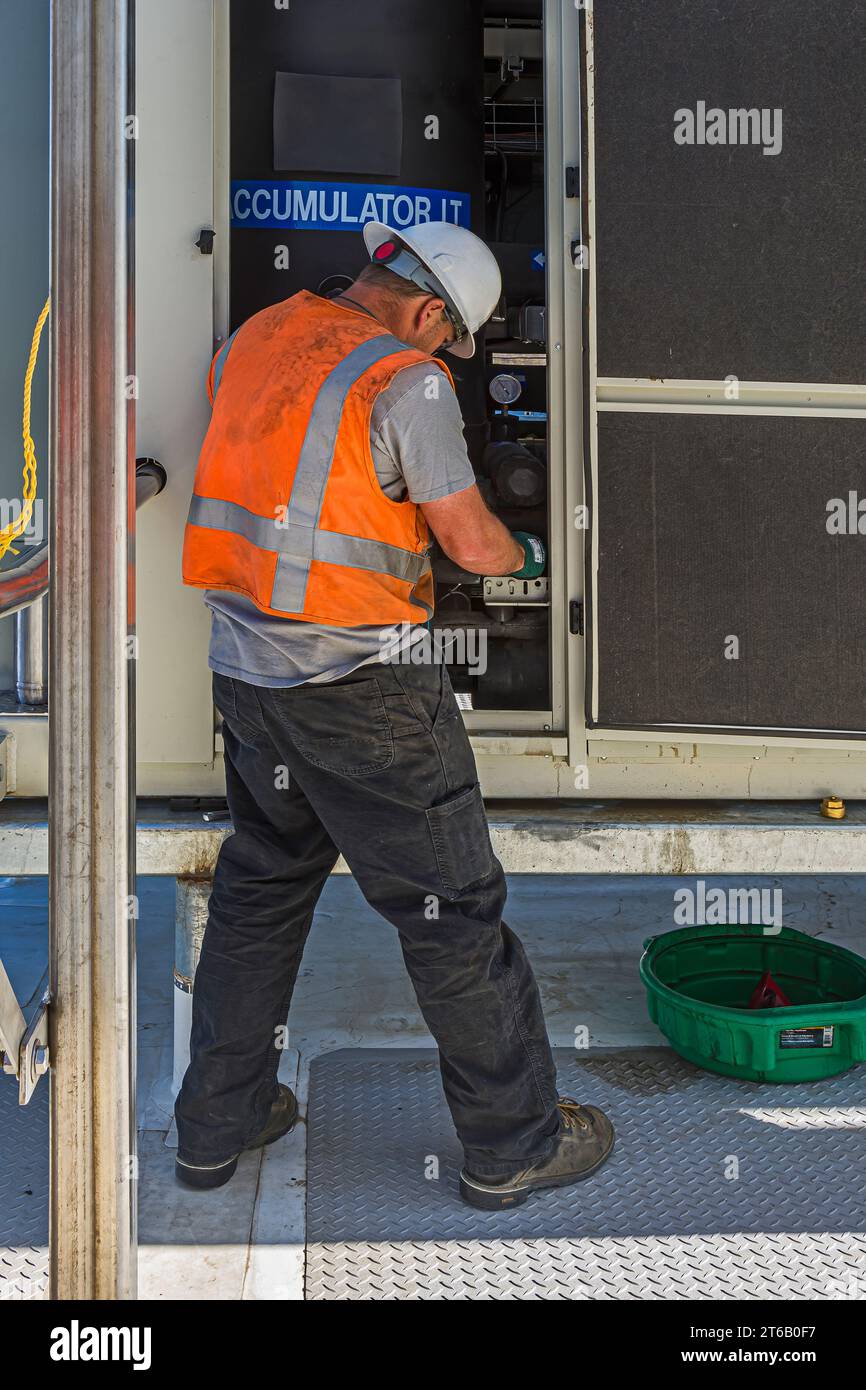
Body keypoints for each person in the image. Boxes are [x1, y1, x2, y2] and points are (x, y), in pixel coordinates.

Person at [176, 220, 614, 1209]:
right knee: (449, 915)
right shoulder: (406, 381)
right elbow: (469, 541)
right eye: (445, 341)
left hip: (246, 677)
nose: (439, 358)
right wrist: (532, 558)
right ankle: (512, 1145)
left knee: (259, 893)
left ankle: (217, 1123)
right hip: (363, 688)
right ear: (428, 314)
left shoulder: (259, 334)